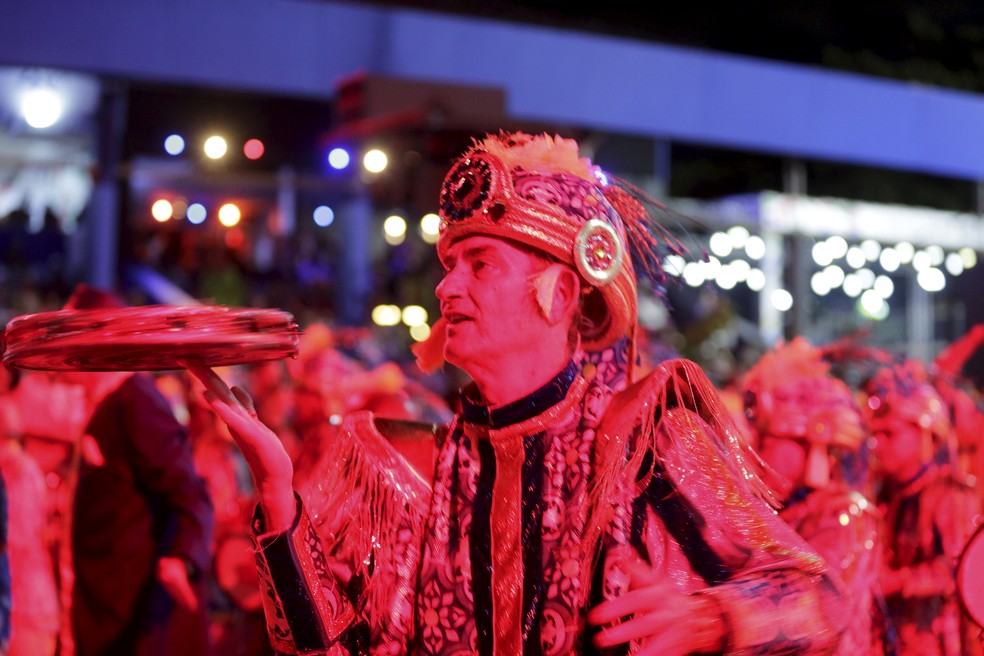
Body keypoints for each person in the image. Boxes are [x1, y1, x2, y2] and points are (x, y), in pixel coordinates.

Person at [189, 131, 846, 654]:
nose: (447, 290)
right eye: (450, 265)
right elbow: (322, 647)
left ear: (560, 295)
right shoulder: (417, 468)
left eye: (481, 265)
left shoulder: (647, 438)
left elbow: (820, 604)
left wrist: (709, 620)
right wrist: (274, 486)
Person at [57, 285, 215, 656]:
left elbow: (189, 489)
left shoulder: (135, 401)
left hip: (132, 620)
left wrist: (185, 559)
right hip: (105, 611)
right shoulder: (109, 401)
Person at [741, 337, 884, 655]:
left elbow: (817, 603)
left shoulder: (847, 515)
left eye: (770, 441)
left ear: (817, 442)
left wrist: (710, 619)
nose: (756, 453)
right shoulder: (784, 510)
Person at [864, 359, 982, 656]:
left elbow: (964, 572)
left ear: (927, 434)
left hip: (939, 642)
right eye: (875, 434)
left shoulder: (951, 495)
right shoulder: (881, 493)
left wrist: (898, 581)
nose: (878, 443)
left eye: (890, 434)